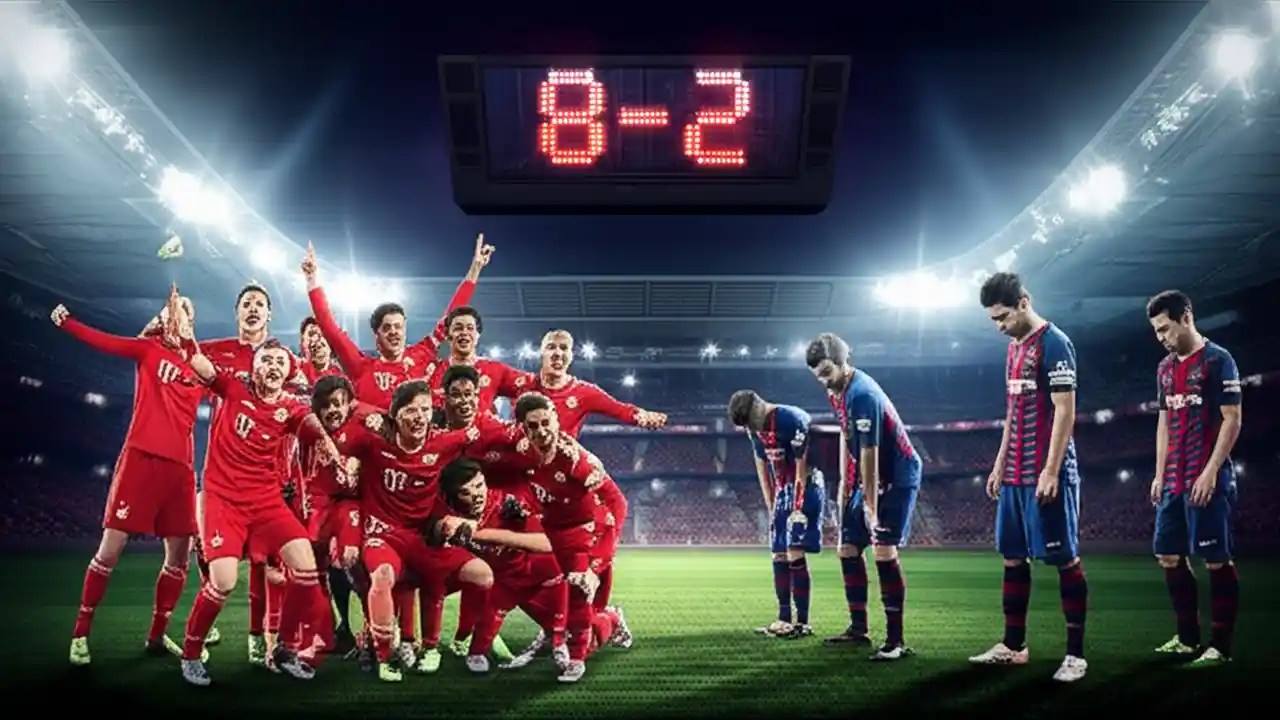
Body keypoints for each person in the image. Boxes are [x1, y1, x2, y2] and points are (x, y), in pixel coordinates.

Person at [56, 287, 205, 666]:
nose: (177, 314)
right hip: (141, 460)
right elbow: (105, 341)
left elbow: (233, 383)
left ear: (192, 322)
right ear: (162, 319)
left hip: (181, 470)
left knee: (179, 559)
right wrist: (67, 322)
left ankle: (157, 635)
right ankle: (80, 634)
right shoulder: (148, 350)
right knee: (109, 552)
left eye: (184, 311)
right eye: (171, 310)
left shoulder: (201, 366)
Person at [179, 339, 339, 687]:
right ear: (253, 368)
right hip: (223, 500)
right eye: (266, 360)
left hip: (266, 502)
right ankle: (190, 655)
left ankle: (285, 649)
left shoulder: (289, 407)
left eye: (281, 361)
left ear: (289, 371)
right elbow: (203, 368)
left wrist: (327, 446)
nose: (274, 366)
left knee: (306, 567)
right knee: (223, 581)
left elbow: (310, 420)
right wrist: (186, 341)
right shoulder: (234, 387)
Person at [508, 329, 664, 658]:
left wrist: (643, 417)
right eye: (551, 347)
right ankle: (556, 628)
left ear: (571, 355)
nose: (557, 353)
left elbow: (619, 409)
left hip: (568, 485)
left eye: (564, 348)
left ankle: (596, 621)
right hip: (533, 484)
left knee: (571, 569)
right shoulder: (523, 386)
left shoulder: (583, 392)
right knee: (529, 566)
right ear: (540, 352)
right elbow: (486, 382)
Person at [968, 272, 1088, 683]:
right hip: (1015, 474)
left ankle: (1075, 656)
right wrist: (1000, 462)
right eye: (993, 320)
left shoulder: (1055, 343)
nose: (999, 326)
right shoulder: (1014, 349)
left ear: (1024, 302)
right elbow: (1013, 412)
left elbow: (1065, 410)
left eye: (1003, 317)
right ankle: (1014, 646)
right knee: (1013, 557)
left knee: (1065, 559)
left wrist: (1051, 470)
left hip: (1045, 472)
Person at [805, 334, 921, 661]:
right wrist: (845, 483)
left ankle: (896, 641)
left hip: (895, 477)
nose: (823, 381)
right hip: (865, 476)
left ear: (843, 362)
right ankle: (859, 629)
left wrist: (870, 505)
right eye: (818, 376)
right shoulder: (837, 391)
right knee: (847, 548)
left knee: (883, 551)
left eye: (827, 373)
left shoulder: (863, 395)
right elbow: (847, 436)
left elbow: (871, 451)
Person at [1145, 290, 1242, 666]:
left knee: (1215, 559)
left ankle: (1220, 646)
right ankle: (1187, 639)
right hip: (1172, 480)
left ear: (1186, 317)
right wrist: (1159, 473)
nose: (1161, 337)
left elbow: (1232, 419)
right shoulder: (1164, 369)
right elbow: (1164, 422)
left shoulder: (1219, 360)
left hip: (1207, 478)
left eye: (1165, 328)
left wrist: (1211, 471)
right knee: (1168, 555)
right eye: (1156, 331)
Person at [508, 392, 626, 683]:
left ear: (557, 420)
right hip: (551, 532)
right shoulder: (521, 452)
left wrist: (596, 564)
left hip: (585, 534)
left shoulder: (577, 461)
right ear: (523, 429)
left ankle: (577, 658)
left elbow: (617, 503)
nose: (541, 431)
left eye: (545, 422)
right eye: (532, 426)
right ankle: (563, 631)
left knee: (578, 595)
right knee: (520, 579)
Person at [301, 235, 491, 409]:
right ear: (377, 336)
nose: (394, 331)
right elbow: (331, 329)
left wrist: (475, 270)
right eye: (386, 328)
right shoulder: (360, 367)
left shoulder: (422, 354)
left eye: (398, 327)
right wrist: (312, 281)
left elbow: (451, 317)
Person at [428, 457, 566, 674]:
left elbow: (547, 544)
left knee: (568, 628)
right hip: (496, 579)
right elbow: (432, 533)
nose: (477, 495)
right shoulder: (449, 514)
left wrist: (482, 534)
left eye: (479, 485)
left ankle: (610, 621)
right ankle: (429, 645)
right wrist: (441, 528)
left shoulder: (509, 505)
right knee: (434, 583)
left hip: (535, 578)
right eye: (466, 492)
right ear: (452, 497)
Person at [727, 390, 824, 639]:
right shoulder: (754, 429)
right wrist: (772, 505)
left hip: (806, 486)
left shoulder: (791, 419)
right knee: (778, 553)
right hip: (783, 490)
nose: (752, 429)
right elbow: (762, 466)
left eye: (751, 423)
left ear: (759, 406)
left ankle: (802, 623)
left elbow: (801, 467)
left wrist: (797, 507)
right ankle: (783, 619)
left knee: (794, 551)